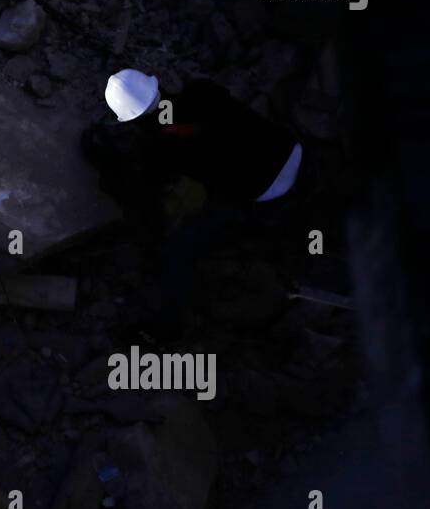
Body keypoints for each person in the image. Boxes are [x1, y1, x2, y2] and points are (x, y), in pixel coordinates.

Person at [85, 68, 304, 332]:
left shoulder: (161, 150)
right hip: (291, 151)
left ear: (131, 120)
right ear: (157, 86)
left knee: (178, 251)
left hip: (266, 194)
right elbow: (192, 116)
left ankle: (170, 326)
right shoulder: (202, 90)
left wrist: (107, 162)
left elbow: (145, 186)